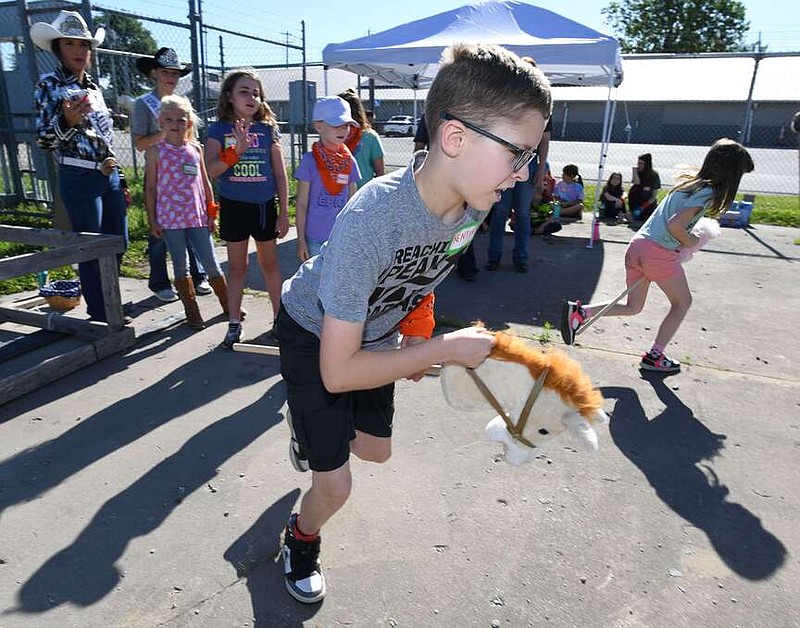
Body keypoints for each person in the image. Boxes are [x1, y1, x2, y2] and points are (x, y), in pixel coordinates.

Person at [275, 42, 551, 604]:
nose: (525, 177)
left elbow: (423, 275)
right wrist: (439, 350)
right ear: (455, 139)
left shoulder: (475, 204)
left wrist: (418, 334)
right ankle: (299, 539)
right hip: (313, 335)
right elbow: (337, 374)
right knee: (336, 484)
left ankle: (309, 430)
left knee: (375, 450)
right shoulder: (373, 218)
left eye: (531, 158)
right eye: (519, 155)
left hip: (370, 338)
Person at [561, 138, 754, 373]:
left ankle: (581, 312)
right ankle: (655, 356)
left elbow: (671, 222)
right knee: (683, 303)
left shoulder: (689, 185)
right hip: (657, 252)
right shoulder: (707, 194)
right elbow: (675, 226)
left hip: (638, 246)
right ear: (731, 174)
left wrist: (682, 237)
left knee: (633, 306)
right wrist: (693, 241)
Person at [32, 10, 128, 324]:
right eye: (70, 43)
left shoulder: (96, 90)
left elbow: (106, 139)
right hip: (78, 174)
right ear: (59, 48)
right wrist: (67, 121)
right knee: (91, 246)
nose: (78, 51)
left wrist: (121, 178)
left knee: (118, 243)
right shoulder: (48, 86)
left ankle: (110, 304)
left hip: (108, 173)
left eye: (83, 44)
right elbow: (45, 140)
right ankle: (101, 313)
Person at [205, 69, 289, 349]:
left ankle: (280, 322)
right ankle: (233, 323)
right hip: (234, 207)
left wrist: (283, 211)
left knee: (269, 265)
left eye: (255, 92)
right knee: (238, 268)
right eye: (244, 91)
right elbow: (211, 170)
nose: (251, 97)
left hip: (263, 207)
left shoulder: (266, 129)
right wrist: (236, 151)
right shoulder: (218, 130)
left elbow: (279, 174)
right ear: (229, 97)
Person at [132, 47, 210, 302]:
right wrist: (165, 132)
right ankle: (160, 282)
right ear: (154, 72)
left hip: (186, 175)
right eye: (166, 72)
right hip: (161, 174)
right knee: (159, 232)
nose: (171, 78)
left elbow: (191, 139)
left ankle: (197, 276)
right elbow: (140, 144)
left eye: (175, 74)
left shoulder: (183, 104)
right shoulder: (144, 105)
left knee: (192, 226)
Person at [145, 95, 229, 329]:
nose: (175, 124)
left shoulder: (195, 149)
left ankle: (228, 306)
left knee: (210, 261)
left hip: (197, 217)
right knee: (180, 265)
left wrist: (212, 212)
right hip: (170, 220)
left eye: (181, 119)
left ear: (189, 123)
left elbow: (204, 182)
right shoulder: (154, 152)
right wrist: (153, 220)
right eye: (169, 119)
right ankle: (192, 312)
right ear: (161, 122)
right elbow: (150, 189)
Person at [485, 56, 552, 274]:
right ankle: (493, 256)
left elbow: (545, 139)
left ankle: (520, 257)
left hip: (528, 163)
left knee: (523, 214)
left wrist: (541, 169)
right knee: (500, 211)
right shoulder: (506, 99)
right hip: (505, 161)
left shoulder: (543, 104)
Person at [294, 96, 360, 261]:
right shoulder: (309, 161)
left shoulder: (349, 160)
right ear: (319, 126)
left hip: (341, 237)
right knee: (316, 283)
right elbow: (301, 204)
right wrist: (301, 240)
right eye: (336, 125)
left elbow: (354, 202)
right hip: (314, 239)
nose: (343, 130)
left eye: (346, 125)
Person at [338, 89, 385, 188]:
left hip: (359, 193)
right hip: (340, 193)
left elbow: (380, 172)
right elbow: (380, 172)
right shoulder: (335, 135)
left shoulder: (369, 137)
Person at [627, 152, 661, 222]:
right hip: (635, 202)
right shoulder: (637, 172)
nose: (639, 165)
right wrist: (634, 171)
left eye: (641, 163)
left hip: (647, 203)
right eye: (638, 163)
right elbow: (637, 182)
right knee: (633, 218)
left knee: (648, 218)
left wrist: (643, 206)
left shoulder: (654, 175)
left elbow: (654, 196)